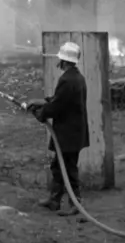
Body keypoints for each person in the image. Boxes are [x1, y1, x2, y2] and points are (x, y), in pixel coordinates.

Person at [24, 41, 89, 214]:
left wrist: (41, 113)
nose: (58, 62)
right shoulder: (77, 77)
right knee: (59, 166)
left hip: (68, 133)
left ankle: (76, 205)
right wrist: (42, 101)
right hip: (73, 131)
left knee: (68, 168)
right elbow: (60, 100)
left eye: (60, 59)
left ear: (65, 61)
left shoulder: (67, 80)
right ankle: (55, 200)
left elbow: (58, 107)